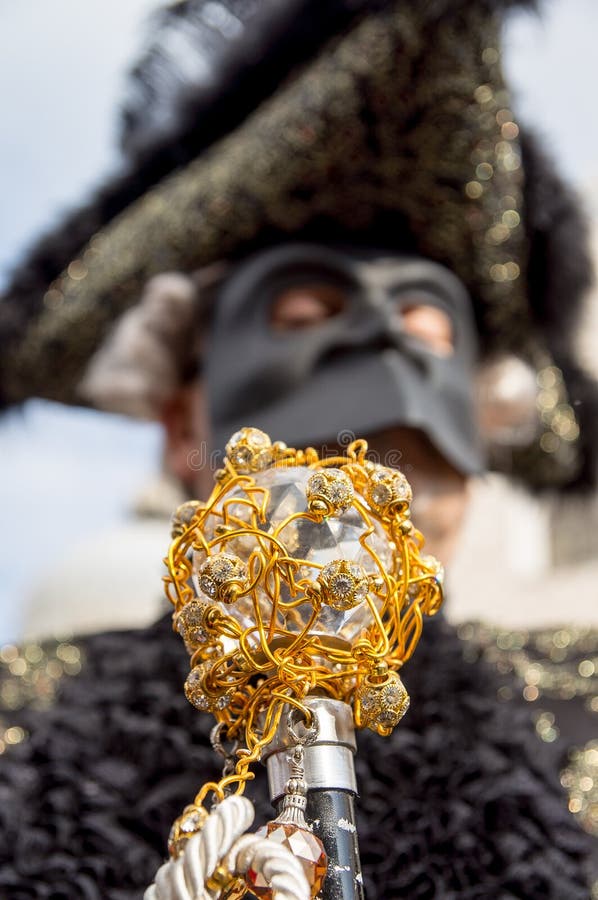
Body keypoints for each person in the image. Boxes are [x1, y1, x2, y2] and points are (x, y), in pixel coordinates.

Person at [0, 1, 596, 896]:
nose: (352, 485)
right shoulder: (19, 713)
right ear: (178, 422)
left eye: (427, 332)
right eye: (302, 320)